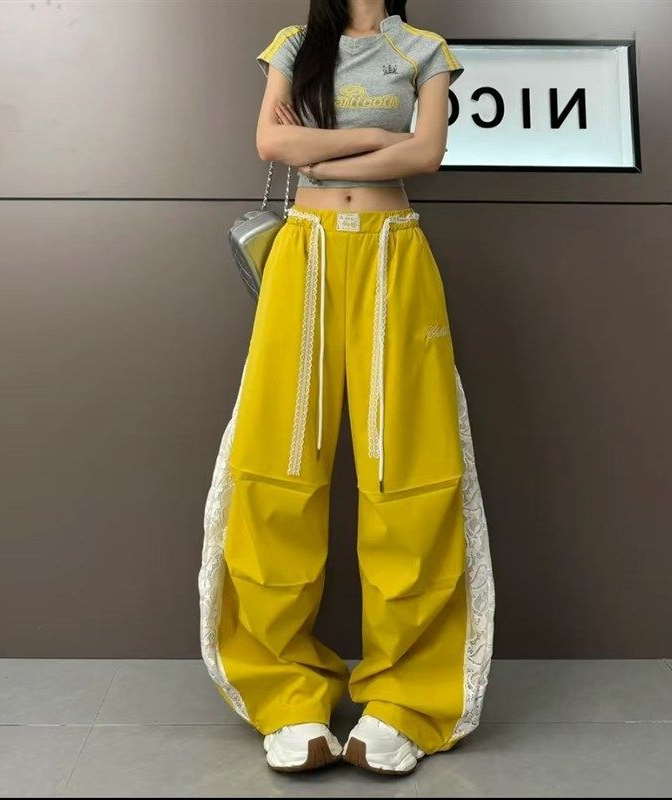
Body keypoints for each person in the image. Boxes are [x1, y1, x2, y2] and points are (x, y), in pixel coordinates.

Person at [199, 0, 495, 776]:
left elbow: (428, 154)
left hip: (395, 256)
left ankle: (404, 696)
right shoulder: (295, 45)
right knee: (278, 464)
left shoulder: (424, 49)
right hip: (303, 254)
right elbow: (271, 142)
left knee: (410, 469)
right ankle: (287, 693)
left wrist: (326, 151)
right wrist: (379, 141)